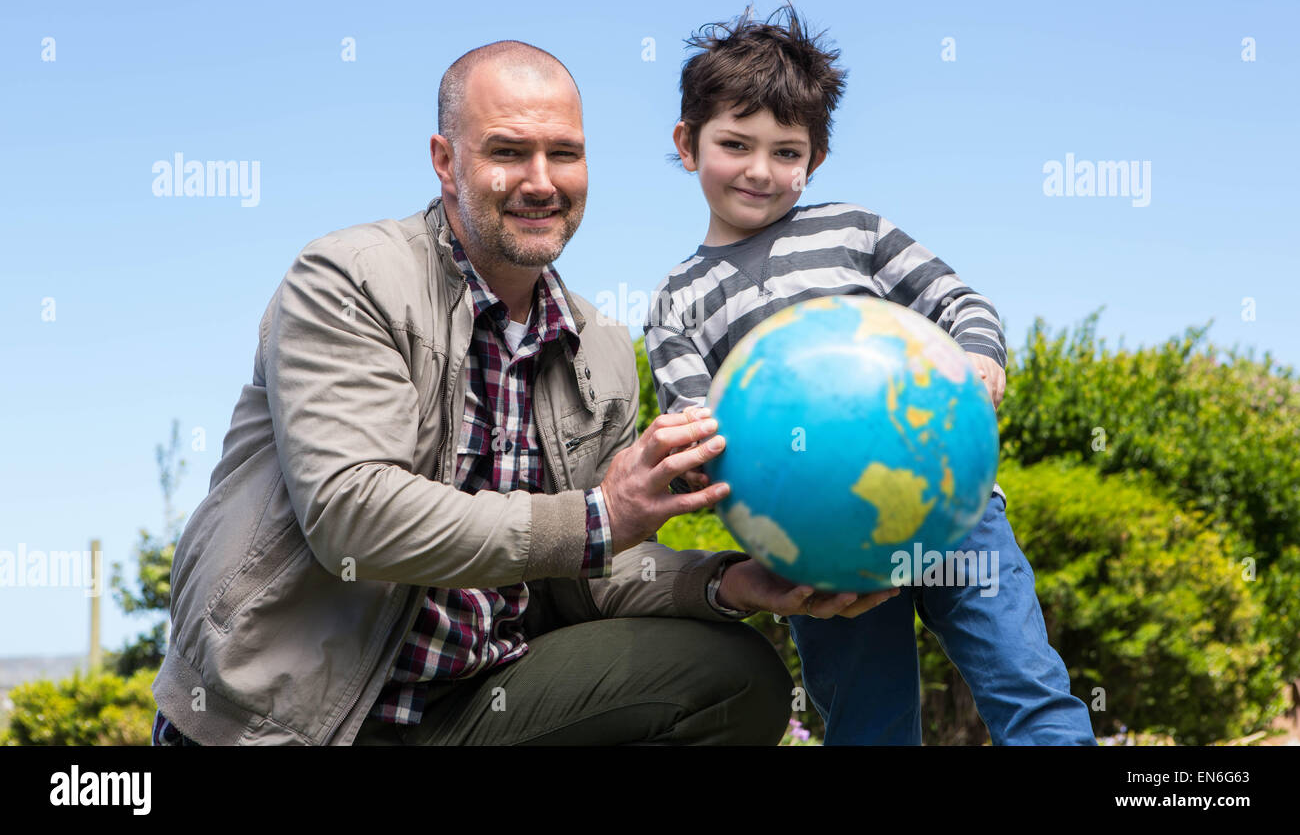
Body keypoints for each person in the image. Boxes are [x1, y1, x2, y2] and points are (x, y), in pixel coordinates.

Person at [151, 39, 895, 746]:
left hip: (476, 704)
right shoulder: (349, 279)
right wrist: (601, 516)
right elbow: (352, 514)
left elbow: (596, 570)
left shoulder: (599, 350)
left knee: (736, 678)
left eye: (564, 154)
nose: (542, 181)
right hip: (299, 723)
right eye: (508, 152)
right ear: (446, 161)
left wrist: (732, 582)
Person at [643, 4, 1098, 745]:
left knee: (1028, 687)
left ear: (814, 160)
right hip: (813, 546)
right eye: (734, 143)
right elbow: (695, 434)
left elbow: (959, 301)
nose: (761, 170)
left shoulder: (855, 229)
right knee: (867, 724)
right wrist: (705, 473)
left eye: (787, 152)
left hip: (954, 509)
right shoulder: (675, 302)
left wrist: (980, 356)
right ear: (686, 144)